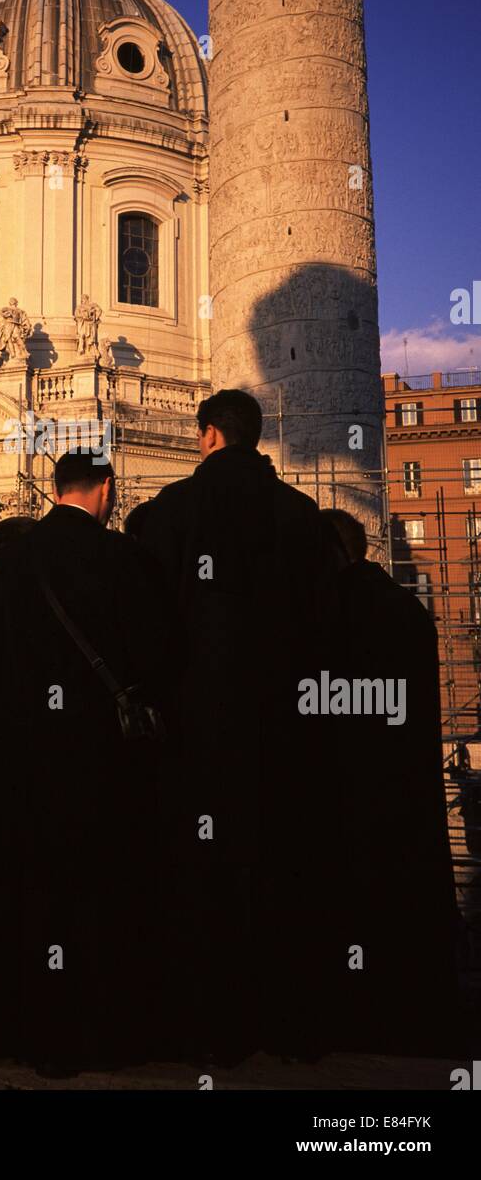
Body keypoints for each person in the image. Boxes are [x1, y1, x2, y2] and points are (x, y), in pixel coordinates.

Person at [0, 450, 175, 1072]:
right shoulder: (125, 559)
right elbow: (162, 657)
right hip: (102, 763)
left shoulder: (5, 569)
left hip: (15, 764)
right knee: (99, 896)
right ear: (107, 489)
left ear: (56, 489)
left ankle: (21, 1028)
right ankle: (97, 1032)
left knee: (27, 894)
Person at [139, 388, 335, 1062]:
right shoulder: (302, 518)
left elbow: (146, 628)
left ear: (209, 436)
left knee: (197, 876)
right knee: (280, 867)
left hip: (193, 731)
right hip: (285, 727)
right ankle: (285, 1024)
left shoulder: (166, 515)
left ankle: (202, 1027)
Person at [319, 508, 459, 1052]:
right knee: (409, 908)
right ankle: (418, 1014)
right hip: (406, 782)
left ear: (329, 554)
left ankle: (363, 1017)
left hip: (351, 788)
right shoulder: (406, 607)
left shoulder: (329, 609)